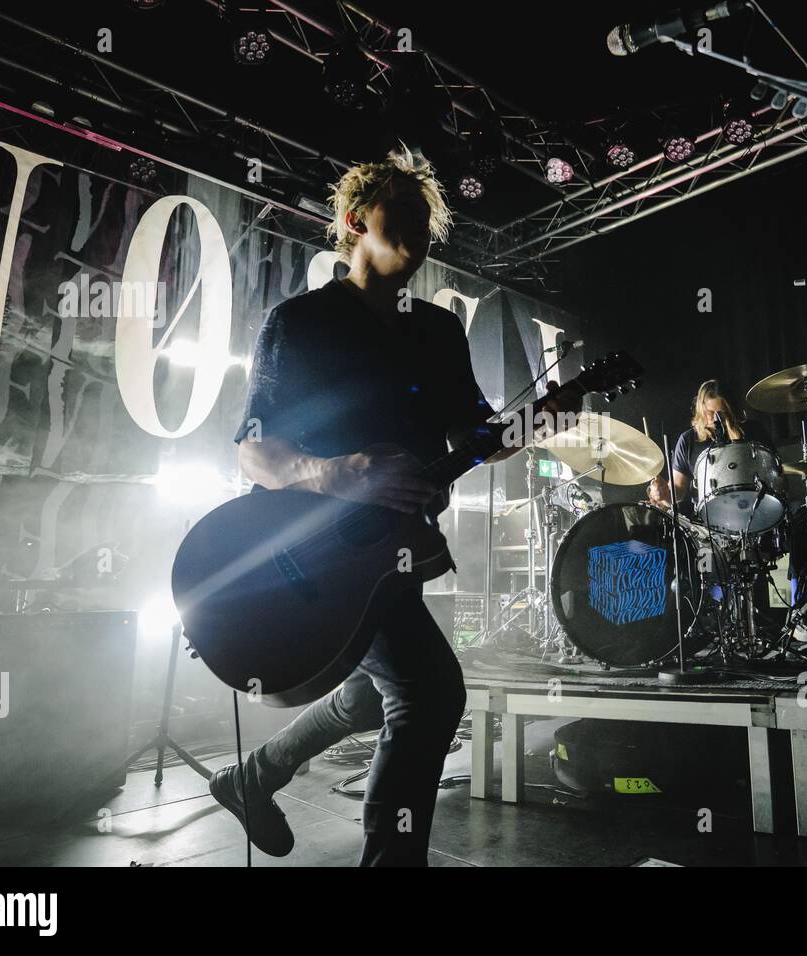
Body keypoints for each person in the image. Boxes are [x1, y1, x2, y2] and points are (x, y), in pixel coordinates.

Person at [208, 149, 577, 866]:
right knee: (430, 693)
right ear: (355, 221)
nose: (421, 227)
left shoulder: (438, 331)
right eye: (402, 211)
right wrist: (334, 471)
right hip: (314, 551)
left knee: (375, 694)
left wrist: (539, 421)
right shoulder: (302, 321)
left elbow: (479, 437)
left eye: (428, 218)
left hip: (396, 552)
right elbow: (252, 451)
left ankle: (254, 777)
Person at [669, 379, 776, 518]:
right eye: (709, 413)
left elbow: (776, 475)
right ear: (701, 409)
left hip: (755, 512)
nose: (715, 419)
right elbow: (677, 491)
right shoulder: (688, 440)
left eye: (721, 413)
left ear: (731, 409)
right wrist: (664, 493)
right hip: (707, 522)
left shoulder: (754, 430)